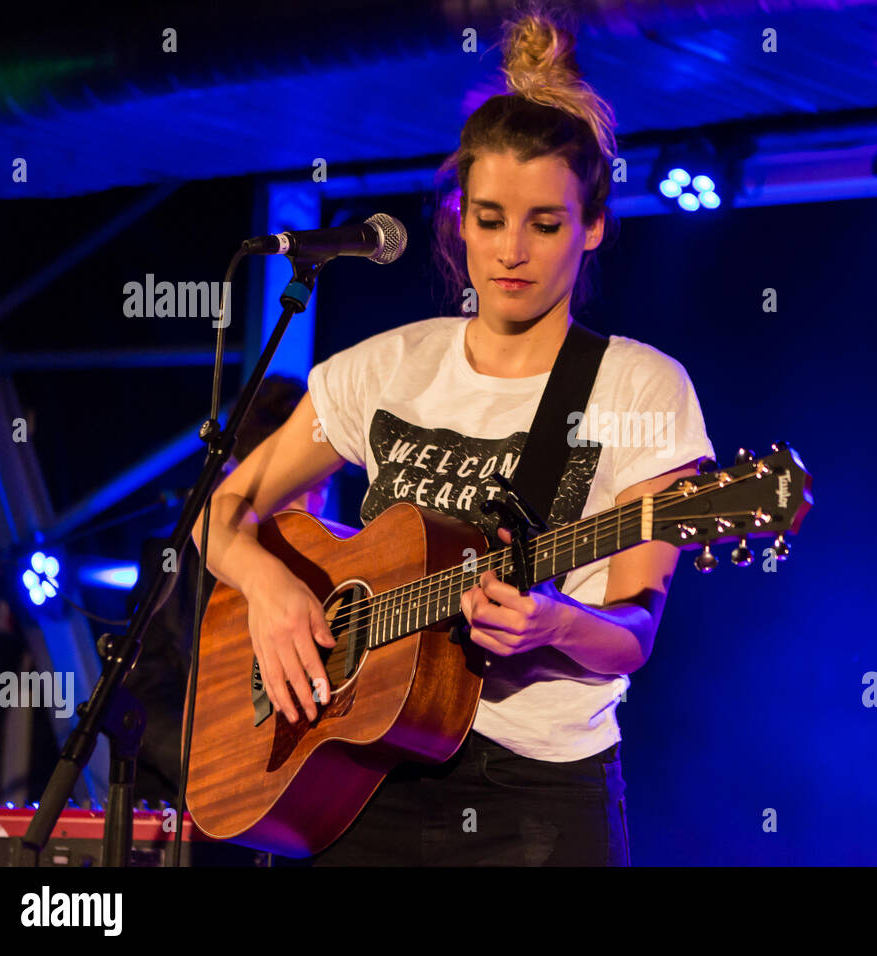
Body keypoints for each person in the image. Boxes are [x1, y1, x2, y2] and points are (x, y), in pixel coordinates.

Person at [191, 3, 715, 866]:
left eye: (546, 224)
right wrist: (273, 592)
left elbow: (634, 632)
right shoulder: (385, 367)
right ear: (457, 219)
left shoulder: (639, 384)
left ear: (590, 227)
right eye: (490, 218)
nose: (512, 250)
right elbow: (224, 512)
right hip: (361, 772)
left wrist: (552, 624)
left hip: (537, 794)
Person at [128, 374, 333, 805]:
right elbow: (144, 693)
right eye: (288, 489)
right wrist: (217, 766)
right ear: (236, 475)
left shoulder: (335, 560)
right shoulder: (172, 563)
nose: (306, 507)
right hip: (188, 799)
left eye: (317, 488)